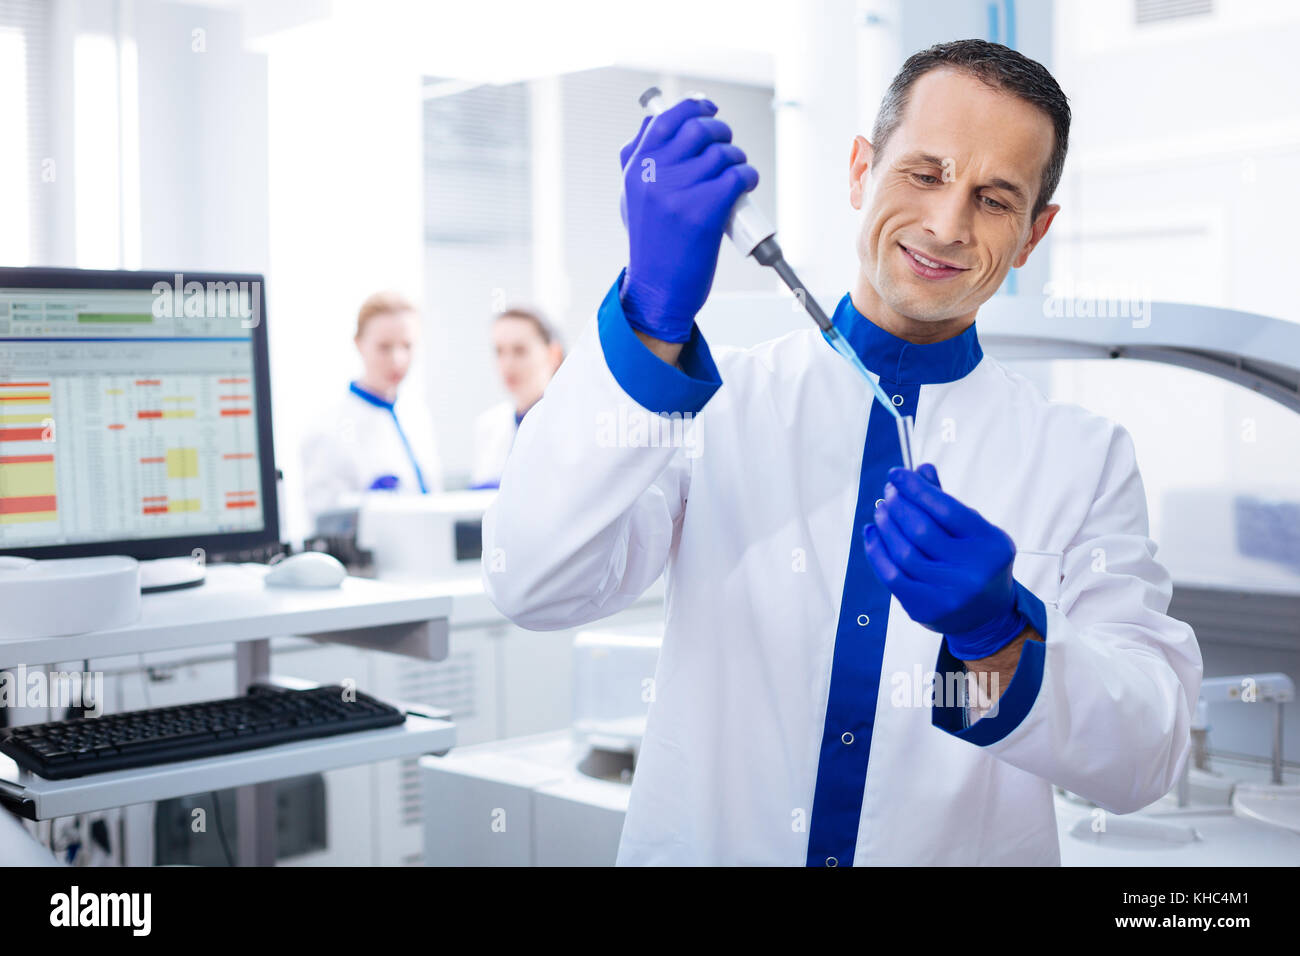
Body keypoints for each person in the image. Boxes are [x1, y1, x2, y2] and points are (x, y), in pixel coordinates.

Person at [482, 40, 1202, 866]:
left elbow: (1148, 756)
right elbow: (531, 579)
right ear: (861, 170)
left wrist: (995, 640)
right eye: (924, 174)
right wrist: (648, 316)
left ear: (1036, 233)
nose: (947, 224)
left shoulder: (1081, 459)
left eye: (995, 199)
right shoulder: (715, 405)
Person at [301, 290, 442, 527]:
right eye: (384, 347)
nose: (398, 359)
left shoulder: (417, 415)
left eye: (407, 346)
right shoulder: (327, 429)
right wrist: (369, 505)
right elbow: (324, 521)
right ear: (359, 344)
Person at [470, 306, 563, 489]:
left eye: (520, 351)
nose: (507, 364)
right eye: (499, 352)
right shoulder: (488, 427)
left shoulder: (572, 424)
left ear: (553, 354)